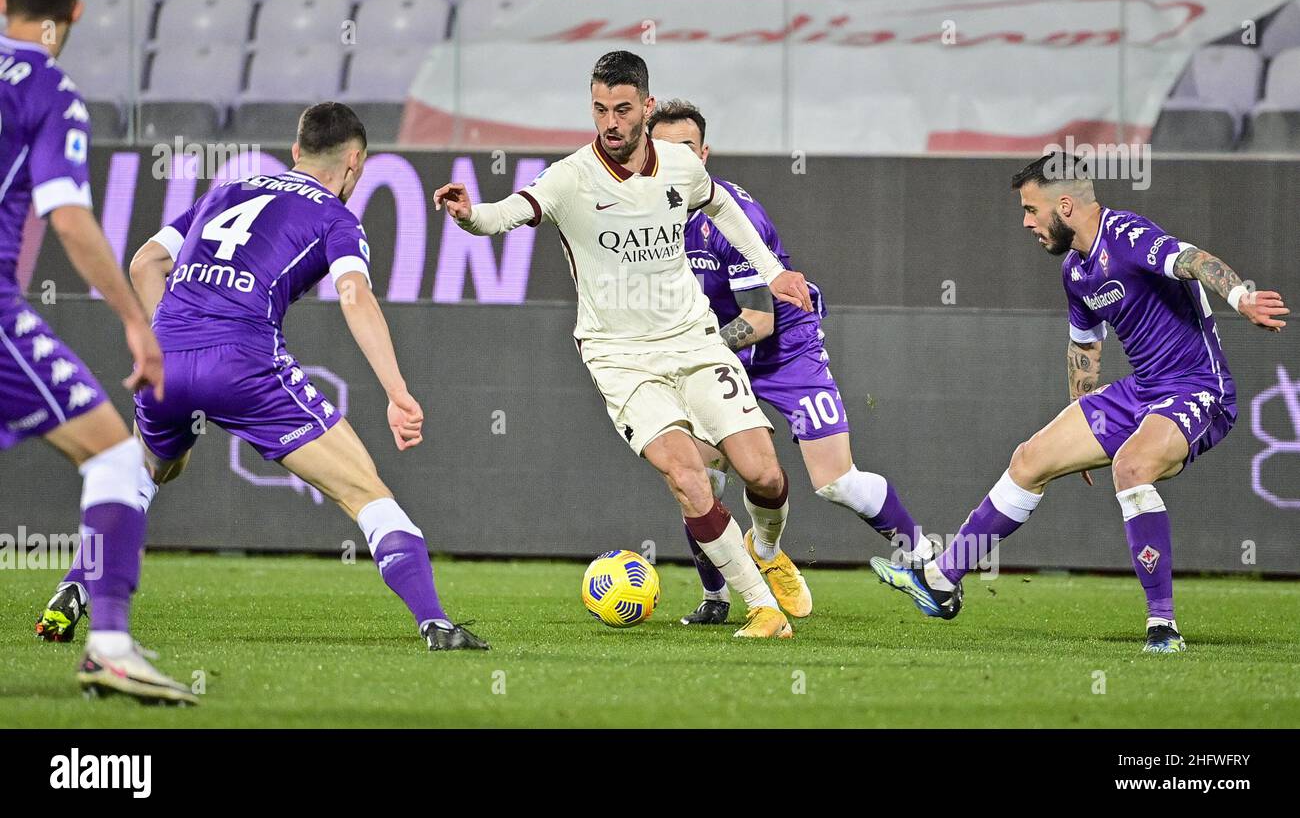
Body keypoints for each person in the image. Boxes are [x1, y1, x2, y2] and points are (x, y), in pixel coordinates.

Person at [37, 102, 489, 657]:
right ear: (355, 162)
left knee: (154, 469)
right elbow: (354, 295)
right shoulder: (336, 217)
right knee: (364, 491)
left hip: (168, 356)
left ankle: (74, 585)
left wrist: (170, 338)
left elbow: (143, 264)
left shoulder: (228, 191)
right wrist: (397, 392)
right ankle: (436, 624)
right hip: (243, 363)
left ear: (296, 151)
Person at [435, 51, 816, 639]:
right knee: (688, 477)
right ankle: (762, 606)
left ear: (646, 107)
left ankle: (765, 547)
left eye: (621, 109)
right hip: (620, 356)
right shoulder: (570, 176)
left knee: (763, 474)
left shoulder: (680, 166)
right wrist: (468, 216)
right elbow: (507, 214)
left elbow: (722, 206)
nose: (609, 122)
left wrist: (772, 274)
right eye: (598, 109)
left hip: (695, 342)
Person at [870, 153, 1288, 653]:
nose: (1026, 223)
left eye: (1031, 210)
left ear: (1063, 204)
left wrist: (1241, 297)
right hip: (1144, 389)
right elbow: (1085, 348)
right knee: (1030, 459)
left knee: (1132, 467)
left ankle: (1163, 625)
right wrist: (1087, 420)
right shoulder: (1075, 271)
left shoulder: (1128, 236)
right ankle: (942, 581)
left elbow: (1194, 261)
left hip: (1199, 388)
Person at [648, 99, 932, 625]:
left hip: (784, 349)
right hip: (717, 355)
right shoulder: (647, 220)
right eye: (662, 149)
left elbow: (759, 320)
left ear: (703, 155)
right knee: (698, 476)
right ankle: (717, 597)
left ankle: (923, 562)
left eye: (684, 149)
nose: (674, 159)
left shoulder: (731, 218)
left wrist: (692, 346)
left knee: (836, 481)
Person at [0, 0, 189, 702]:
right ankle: (109, 646)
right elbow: (71, 219)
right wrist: (136, 324)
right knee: (115, 458)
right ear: (74, 12)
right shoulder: (47, 88)